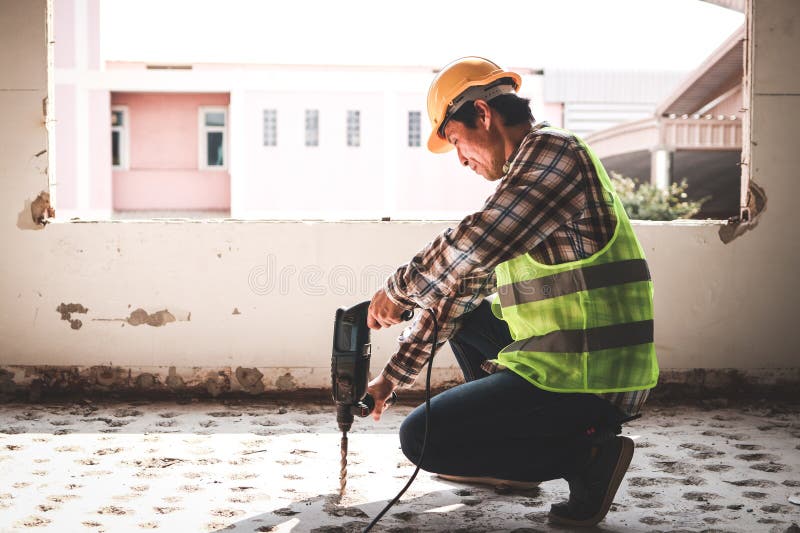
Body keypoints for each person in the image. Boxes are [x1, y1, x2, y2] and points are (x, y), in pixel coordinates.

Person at [365, 57, 658, 527]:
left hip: (591, 379)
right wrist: (391, 378)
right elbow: (458, 292)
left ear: (483, 114)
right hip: (556, 363)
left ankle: (587, 456)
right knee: (462, 312)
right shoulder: (526, 182)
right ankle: (520, 461)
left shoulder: (557, 154)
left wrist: (400, 289)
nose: (460, 159)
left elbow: (477, 241)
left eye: (457, 141)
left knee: (423, 439)